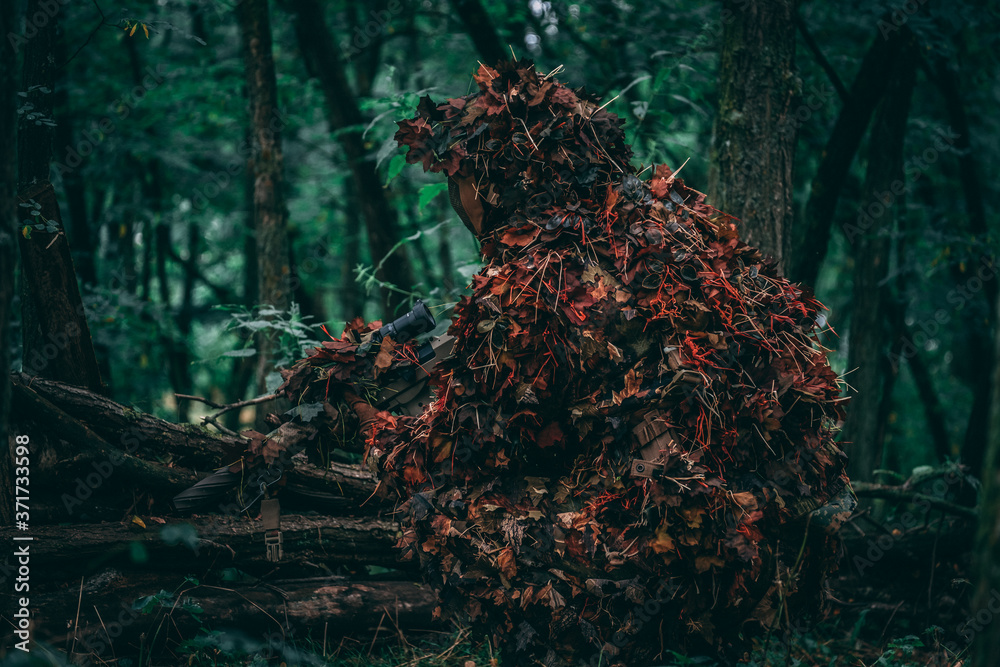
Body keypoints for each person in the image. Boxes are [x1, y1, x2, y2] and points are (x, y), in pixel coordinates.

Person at [277, 59, 849, 666]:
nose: (458, 198)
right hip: (783, 548)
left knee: (438, 513)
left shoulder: (538, 278)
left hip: (687, 565)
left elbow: (450, 456)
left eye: (461, 179)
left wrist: (371, 418)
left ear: (497, 179)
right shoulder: (680, 227)